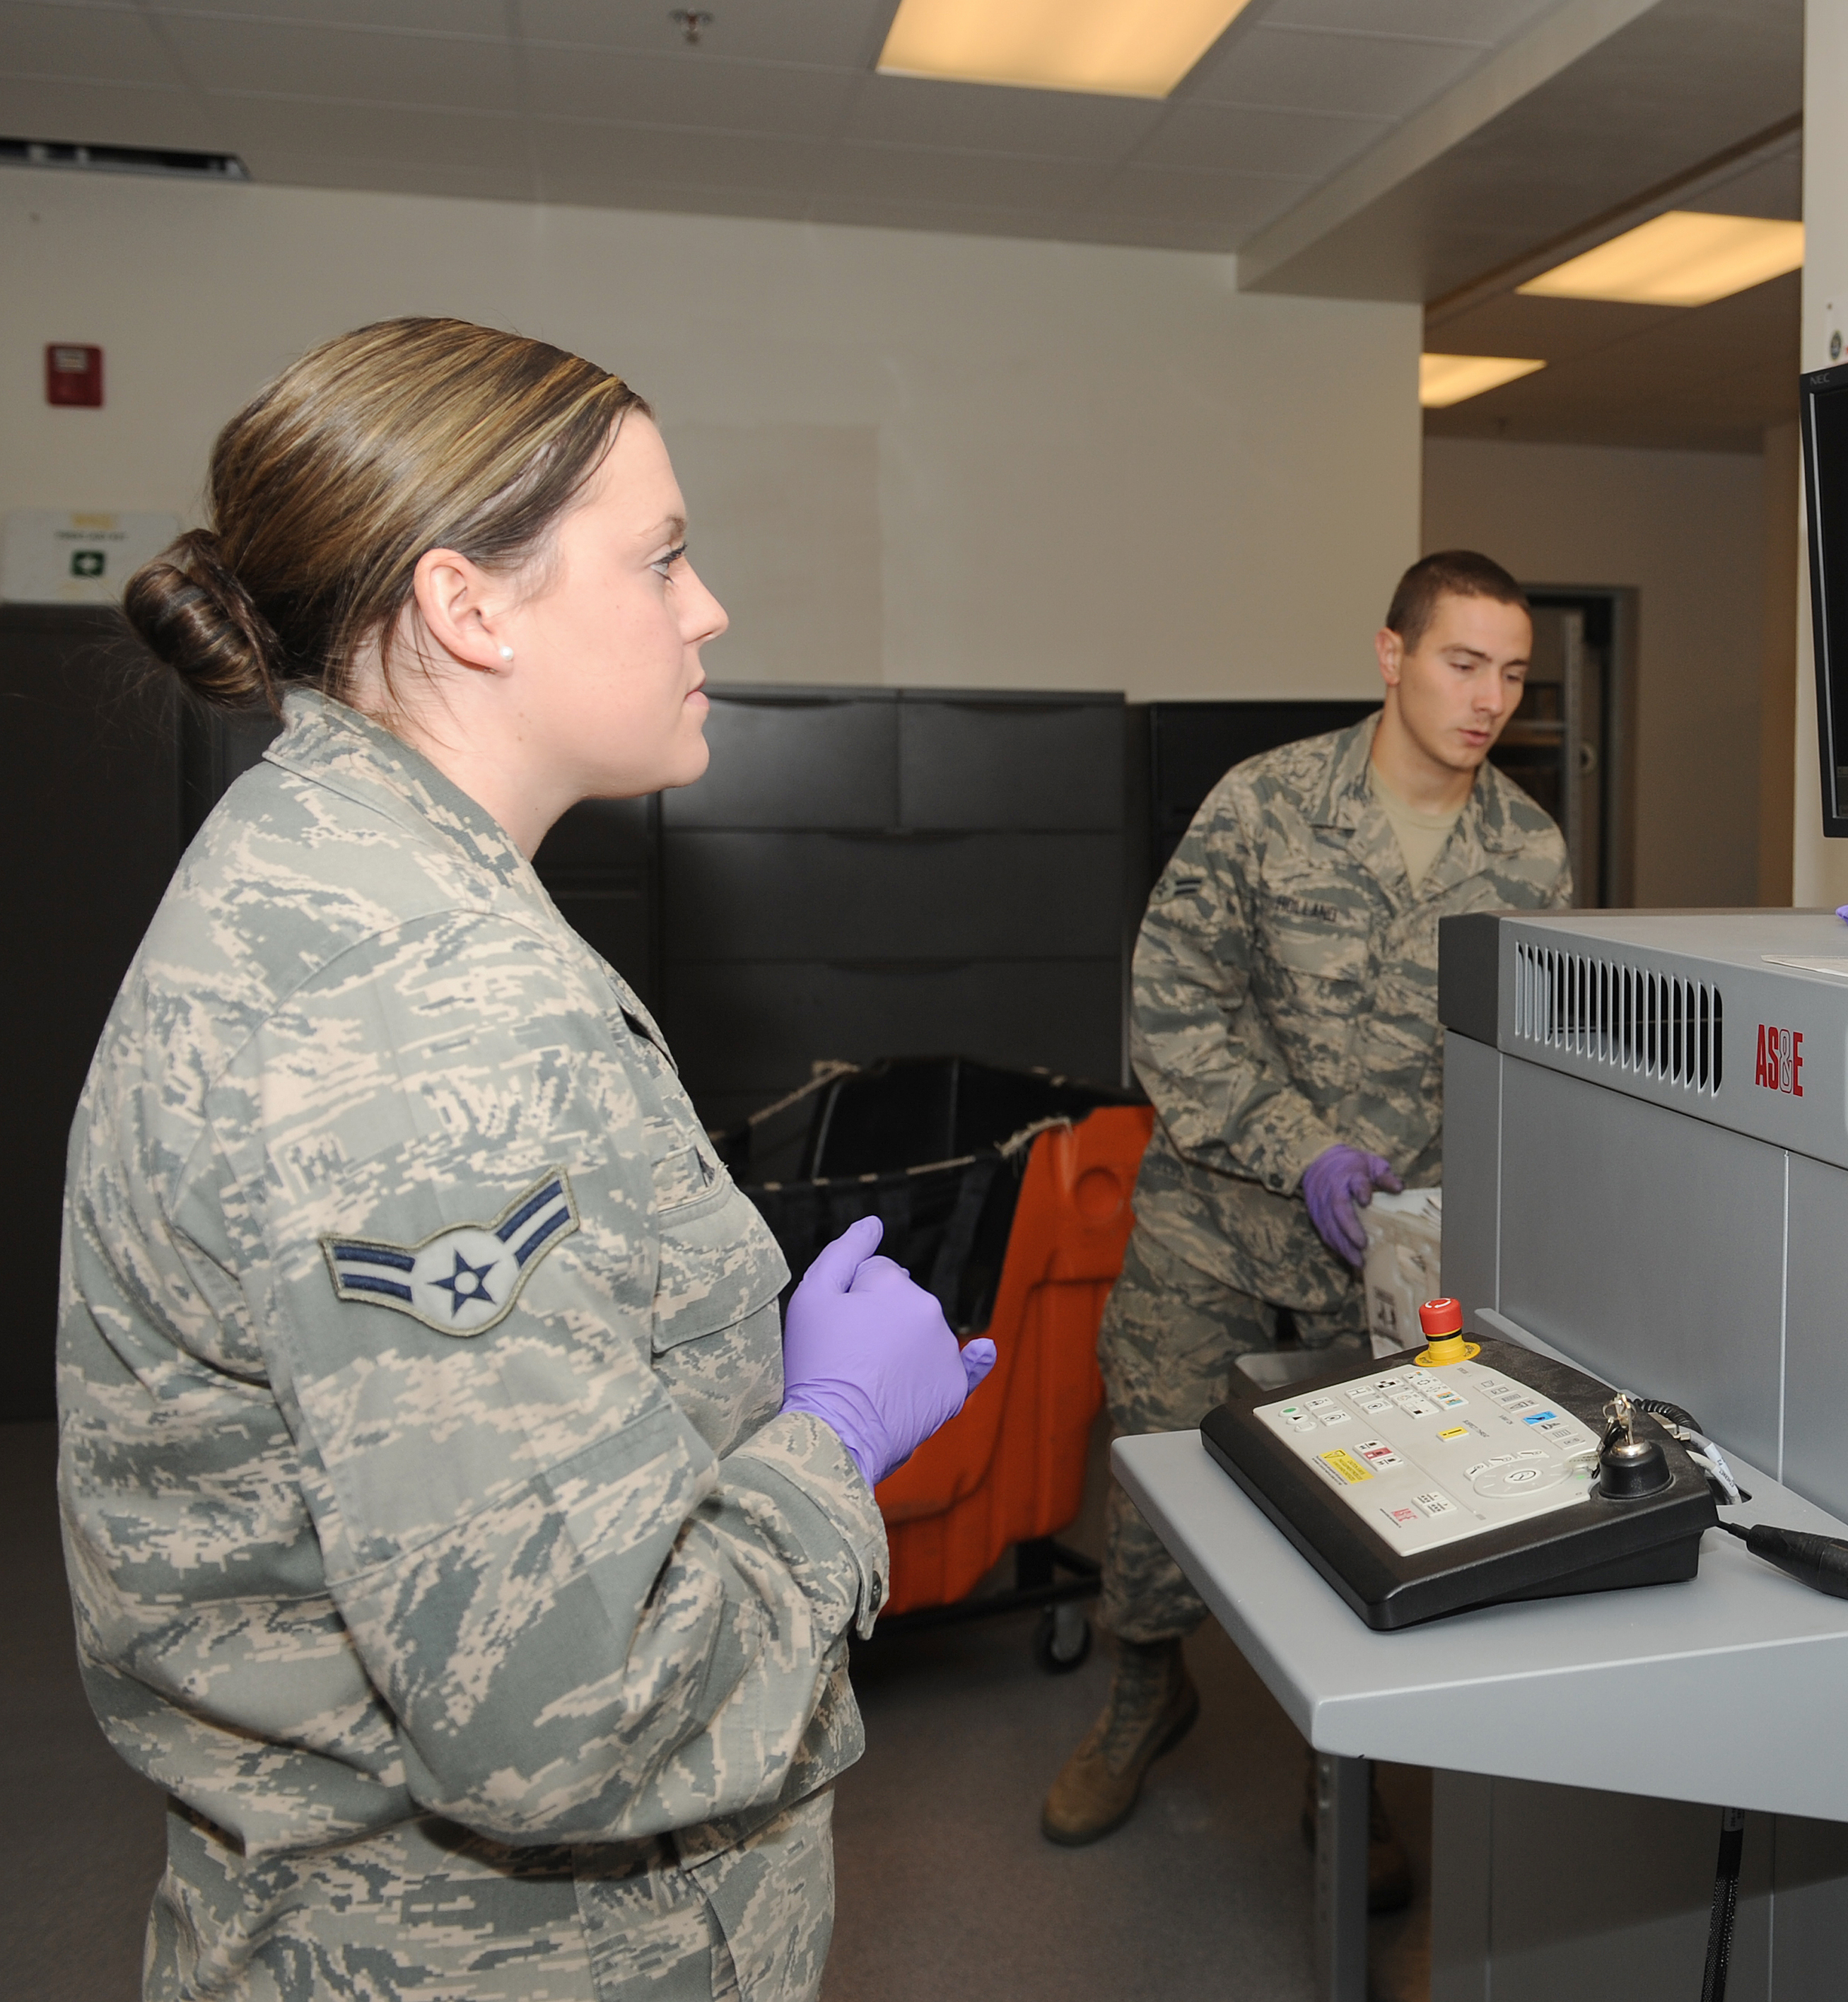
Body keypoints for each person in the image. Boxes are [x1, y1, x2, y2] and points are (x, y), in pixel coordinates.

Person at [62, 318, 989, 2001]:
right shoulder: (428, 1001)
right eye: (661, 560)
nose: (704, 609)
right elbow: (567, 1712)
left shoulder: (343, 861)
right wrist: (830, 1445)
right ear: (468, 606)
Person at [1043, 552, 1572, 1870]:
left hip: (1387, 1261)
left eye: (1513, 674)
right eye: (1463, 662)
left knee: (1377, 1511)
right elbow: (1171, 1008)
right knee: (1160, 1466)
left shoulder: (1528, 850)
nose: (1489, 698)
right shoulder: (1266, 805)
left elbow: (1525, 1062)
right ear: (1392, 656)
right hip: (1212, 1225)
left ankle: (1349, 1770)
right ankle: (1143, 1688)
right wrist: (1301, 1149)